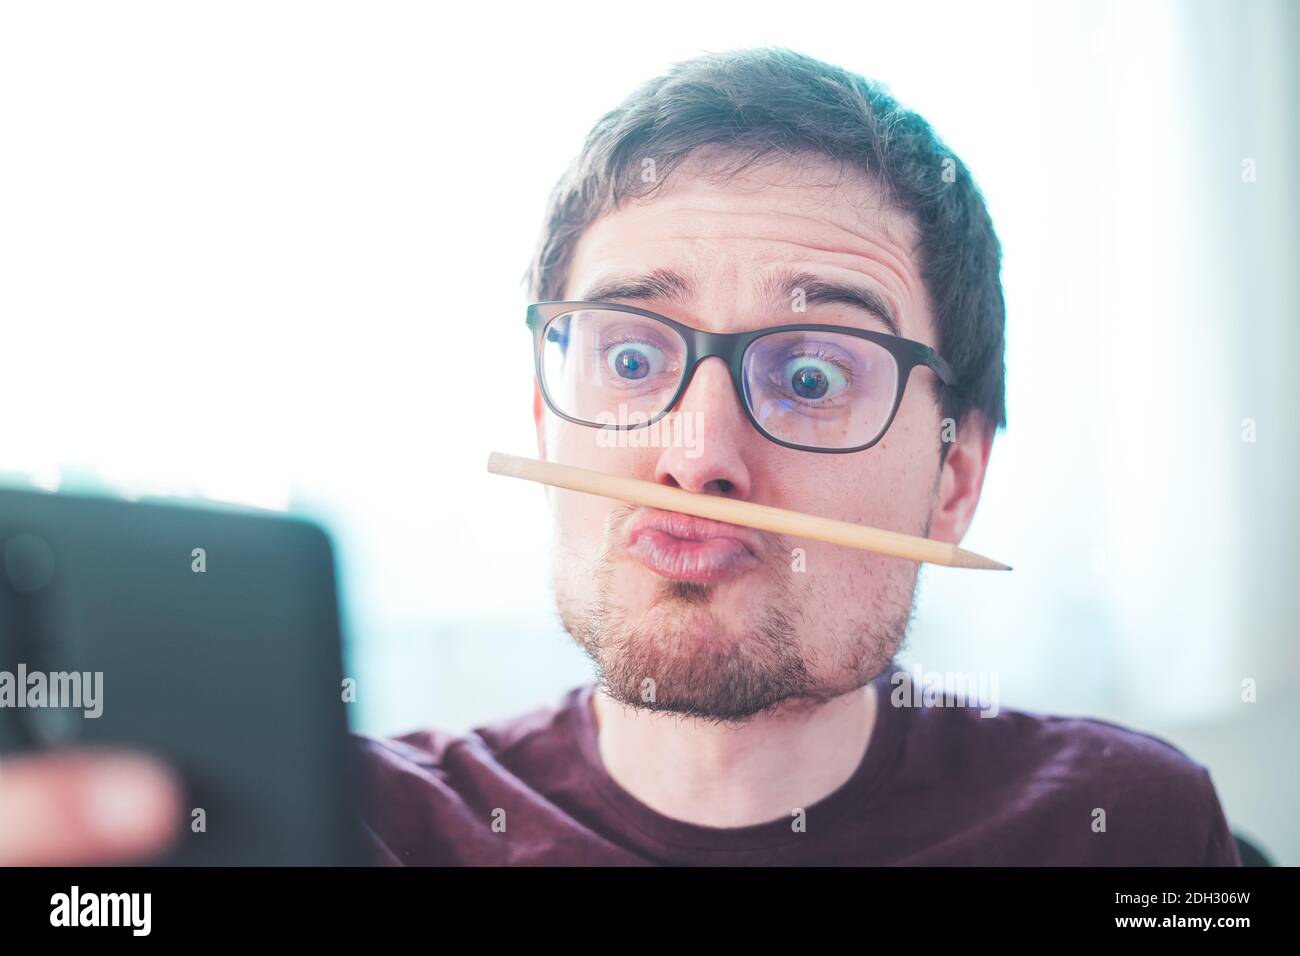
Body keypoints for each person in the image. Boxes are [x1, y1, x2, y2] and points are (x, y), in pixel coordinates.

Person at [0, 47, 1241, 867]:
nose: (697, 454)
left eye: (811, 375)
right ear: (546, 429)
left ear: (953, 477)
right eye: (633, 361)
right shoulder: (348, 831)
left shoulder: (1127, 829)